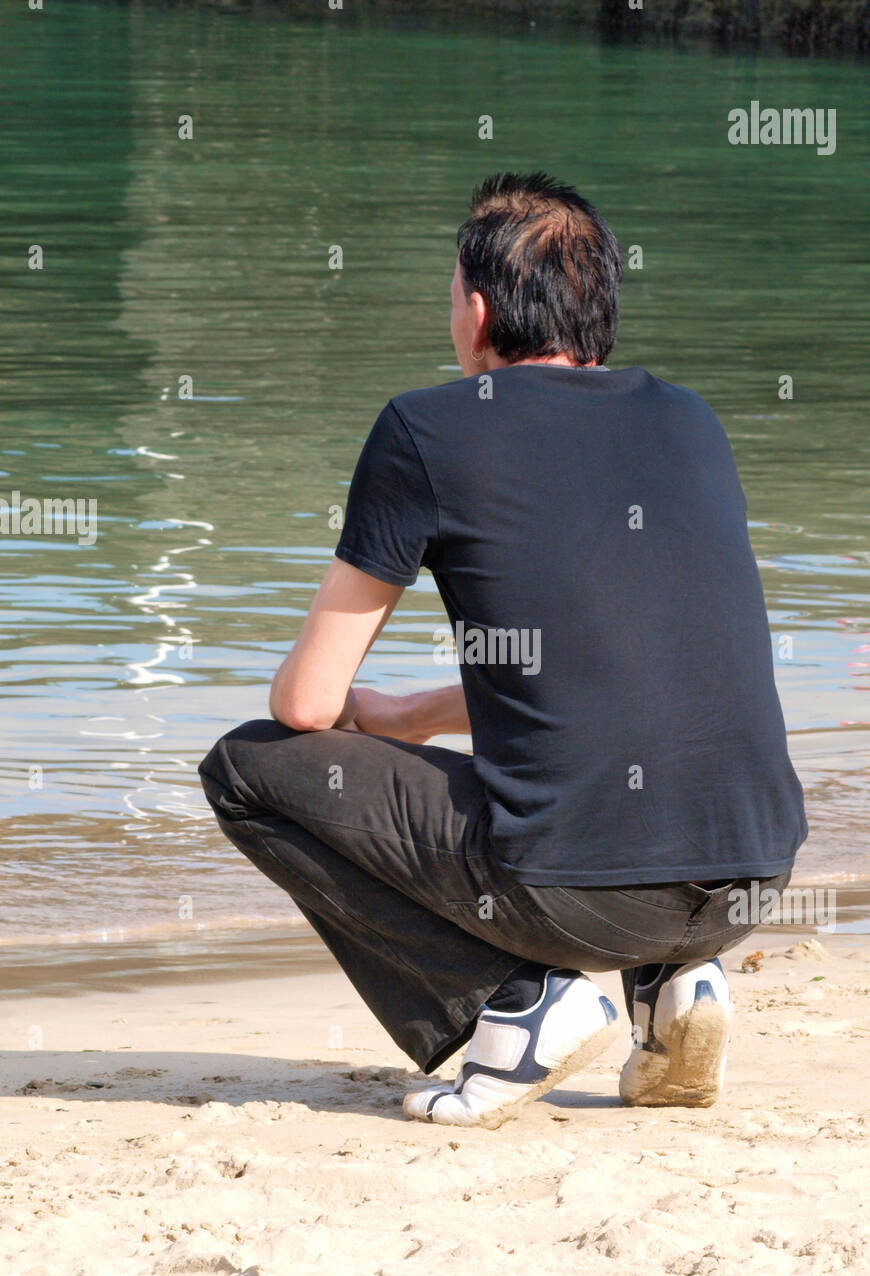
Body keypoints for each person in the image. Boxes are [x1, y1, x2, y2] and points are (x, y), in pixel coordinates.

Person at [198, 171, 807, 1130]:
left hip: (582, 895)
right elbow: (615, 668)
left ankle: (514, 1004)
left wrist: (360, 711)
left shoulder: (425, 429)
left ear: (478, 311)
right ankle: (672, 988)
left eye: (449, 298)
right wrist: (413, 717)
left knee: (244, 765)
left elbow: (309, 704)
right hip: (753, 876)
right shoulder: (692, 421)